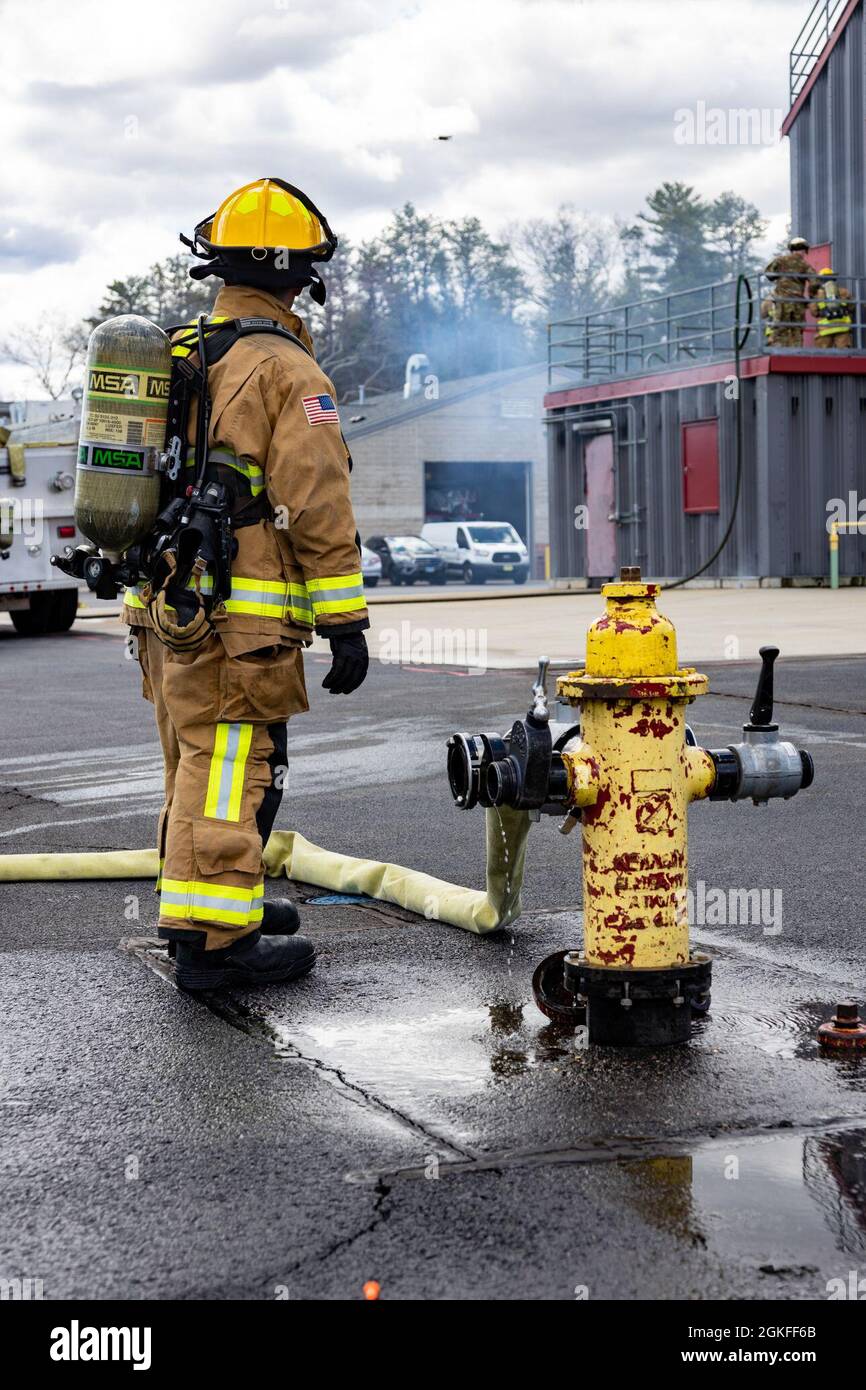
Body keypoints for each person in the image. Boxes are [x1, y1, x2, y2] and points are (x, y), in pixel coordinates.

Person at [124, 178, 369, 991]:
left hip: (165, 607)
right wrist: (345, 621)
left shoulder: (180, 351)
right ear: (301, 276)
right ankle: (217, 948)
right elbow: (319, 500)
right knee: (230, 766)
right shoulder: (288, 369)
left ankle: (215, 906)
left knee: (192, 762)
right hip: (237, 621)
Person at [761, 236, 812, 347]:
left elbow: (768, 273)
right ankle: (796, 354)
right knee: (797, 331)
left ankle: (777, 350)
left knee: (780, 328)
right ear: (804, 251)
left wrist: (780, 277)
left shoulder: (780, 260)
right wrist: (812, 297)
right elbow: (815, 282)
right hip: (798, 303)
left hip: (782, 302)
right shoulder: (805, 265)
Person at [808, 267, 854, 349]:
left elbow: (814, 312)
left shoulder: (817, 294)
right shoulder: (844, 291)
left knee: (824, 357)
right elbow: (852, 307)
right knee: (844, 355)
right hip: (843, 327)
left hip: (825, 329)